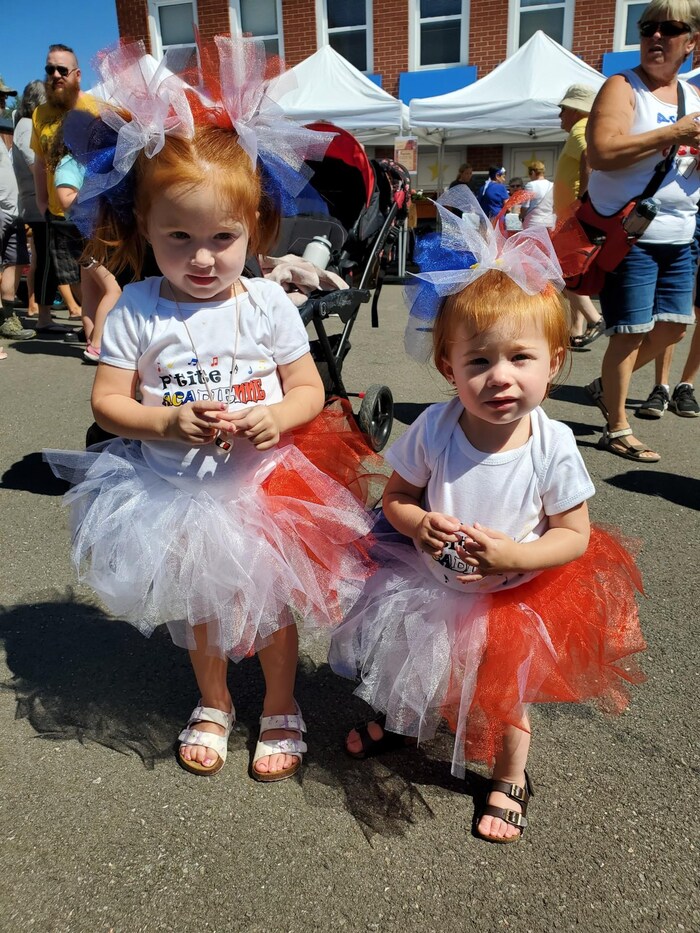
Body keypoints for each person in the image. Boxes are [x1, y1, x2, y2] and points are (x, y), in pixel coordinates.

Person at [45, 40, 377, 781]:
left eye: (223, 238)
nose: (203, 258)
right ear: (144, 231)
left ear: (255, 229)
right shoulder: (137, 308)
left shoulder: (263, 300)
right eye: (179, 238)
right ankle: (215, 700)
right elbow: (107, 401)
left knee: (270, 613)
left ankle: (283, 702)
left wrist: (279, 417)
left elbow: (309, 387)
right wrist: (164, 421)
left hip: (264, 490)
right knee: (200, 609)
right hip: (173, 495)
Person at [329, 189, 645, 844]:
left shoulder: (551, 444)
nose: (500, 376)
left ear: (553, 364)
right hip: (429, 583)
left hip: (515, 597)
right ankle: (405, 721)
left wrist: (516, 558)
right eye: (479, 360)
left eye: (520, 358)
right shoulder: (435, 429)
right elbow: (395, 497)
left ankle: (508, 776)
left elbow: (574, 534)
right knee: (412, 660)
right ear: (449, 366)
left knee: (505, 698)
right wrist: (416, 524)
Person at [585, 0, 700, 461]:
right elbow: (602, 152)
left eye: (669, 29)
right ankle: (616, 426)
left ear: (691, 42)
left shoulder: (693, 96)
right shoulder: (621, 86)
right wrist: (672, 135)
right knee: (630, 332)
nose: (656, 36)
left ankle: (605, 386)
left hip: (682, 233)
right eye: (648, 27)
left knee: (673, 328)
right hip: (630, 234)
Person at [31, 44, 100, 334]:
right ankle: (93, 334)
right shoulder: (40, 114)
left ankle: (100, 333)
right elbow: (39, 162)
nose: (56, 75)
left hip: (94, 213)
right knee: (70, 276)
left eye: (63, 69)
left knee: (98, 277)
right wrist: (42, 200)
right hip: (57, 214)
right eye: (50, 69)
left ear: (78, 74)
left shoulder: (96, 109)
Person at [50, 118, 121, 362]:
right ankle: (99, 344)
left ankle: (92, 341)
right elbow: (66, 199)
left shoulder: (91, 164)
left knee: (91, 293)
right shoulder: (69, 164)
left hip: (91, 237)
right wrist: (96, 190)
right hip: (81, 237)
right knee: (113, 289)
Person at [554, 84, 606, 350]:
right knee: (574, 272)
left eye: (562, 109)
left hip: (572, 216)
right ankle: (577, 329)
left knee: (564, 274)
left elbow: (590, 156)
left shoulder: (579, 128)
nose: (559, 115)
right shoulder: (582, 127)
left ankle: (594, 318)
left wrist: (582, 200)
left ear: (575, 110)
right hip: (571, 214)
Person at [12, 80, 50, 322]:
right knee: (44, 259)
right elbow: (34, 163)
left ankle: (37, 308)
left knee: (41, 257)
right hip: (36, 205)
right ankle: (38, 310)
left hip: (38, 203)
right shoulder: (26, 126)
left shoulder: (27, 125)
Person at [0, 126, 34, 340]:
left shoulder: (4, 137)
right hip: (2, 209)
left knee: (16, 261)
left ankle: (7, 318)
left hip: (14, 210)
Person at [520, 161, 555, 230]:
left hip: (533, 222)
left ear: (532, 172)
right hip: (549, 222)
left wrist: (521, 215)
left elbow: (525, 206)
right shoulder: (552, 185)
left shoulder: (530, 185)